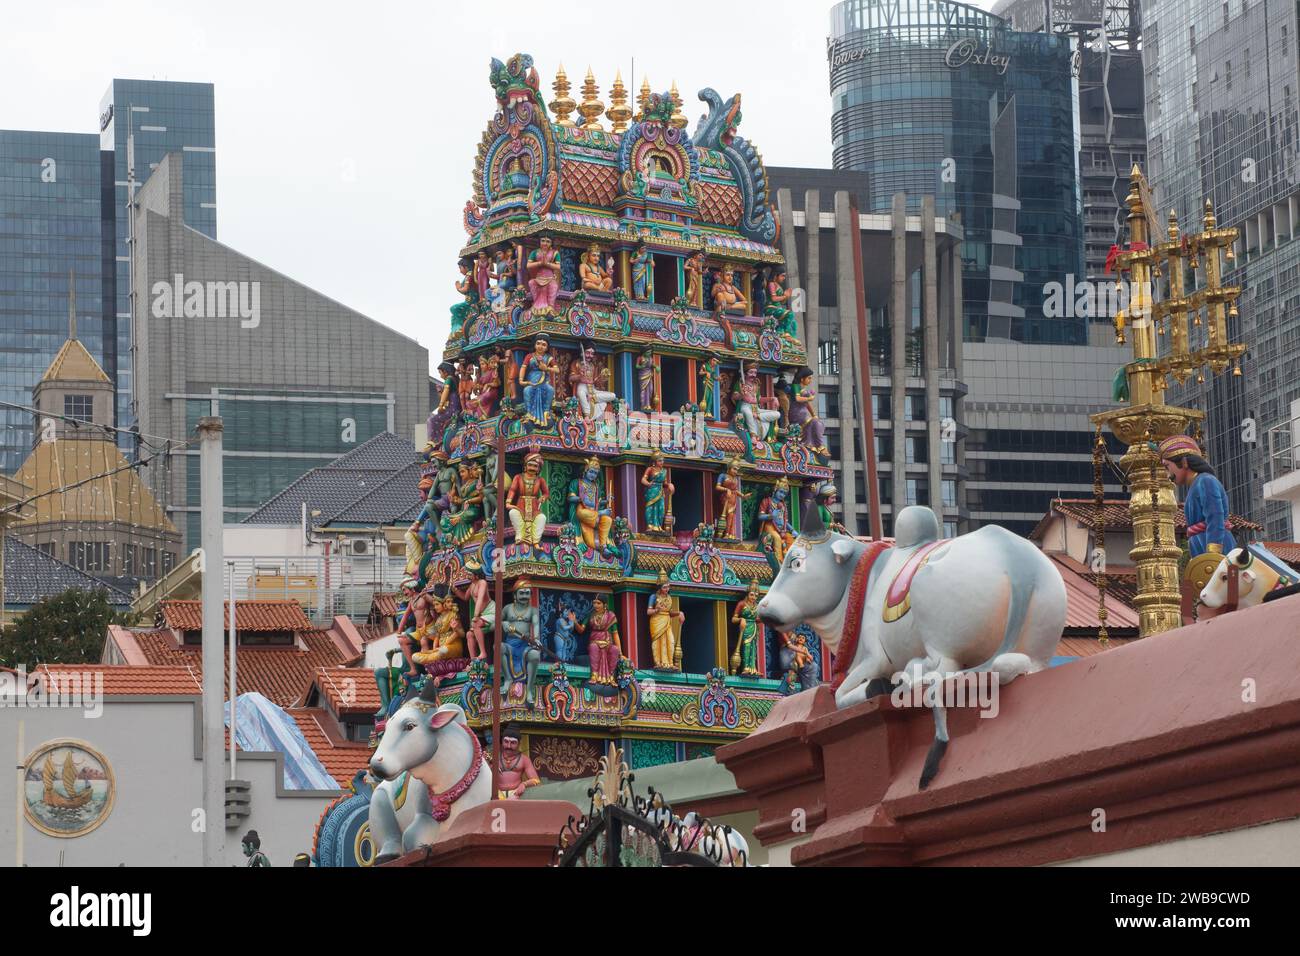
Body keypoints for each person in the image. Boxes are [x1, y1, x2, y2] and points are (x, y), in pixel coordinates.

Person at [1158, 435, 1236, 558]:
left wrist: (1213, 552)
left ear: (1183, 462)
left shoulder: (1205, 481)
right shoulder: (1196, 485)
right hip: (1200, 544)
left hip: (1215, 547)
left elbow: (1215, 516)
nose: (1168, 475)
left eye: (1167, 467)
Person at [648, 573, 685, 671]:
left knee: (670, 641)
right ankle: (659, 663)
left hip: (667, 621)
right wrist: (656, 610)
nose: (667, 589)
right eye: (664, 587)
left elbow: (670, 612)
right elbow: (648, 611)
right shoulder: (654, 597)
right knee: (658, 643)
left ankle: (670, 663)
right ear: (660, 587)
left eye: (668, 587)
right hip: (657, 621)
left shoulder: (669, 597)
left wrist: (679, 613)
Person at [495, 724, 541, 799]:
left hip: (516, 795)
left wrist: (524, 784)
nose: (508, 746)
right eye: (506, 741)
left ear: (519, 743)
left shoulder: (524, 759)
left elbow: (536, 781)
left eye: (513, 743)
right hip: (497, 796)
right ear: (502, 741)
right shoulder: (494, 758)